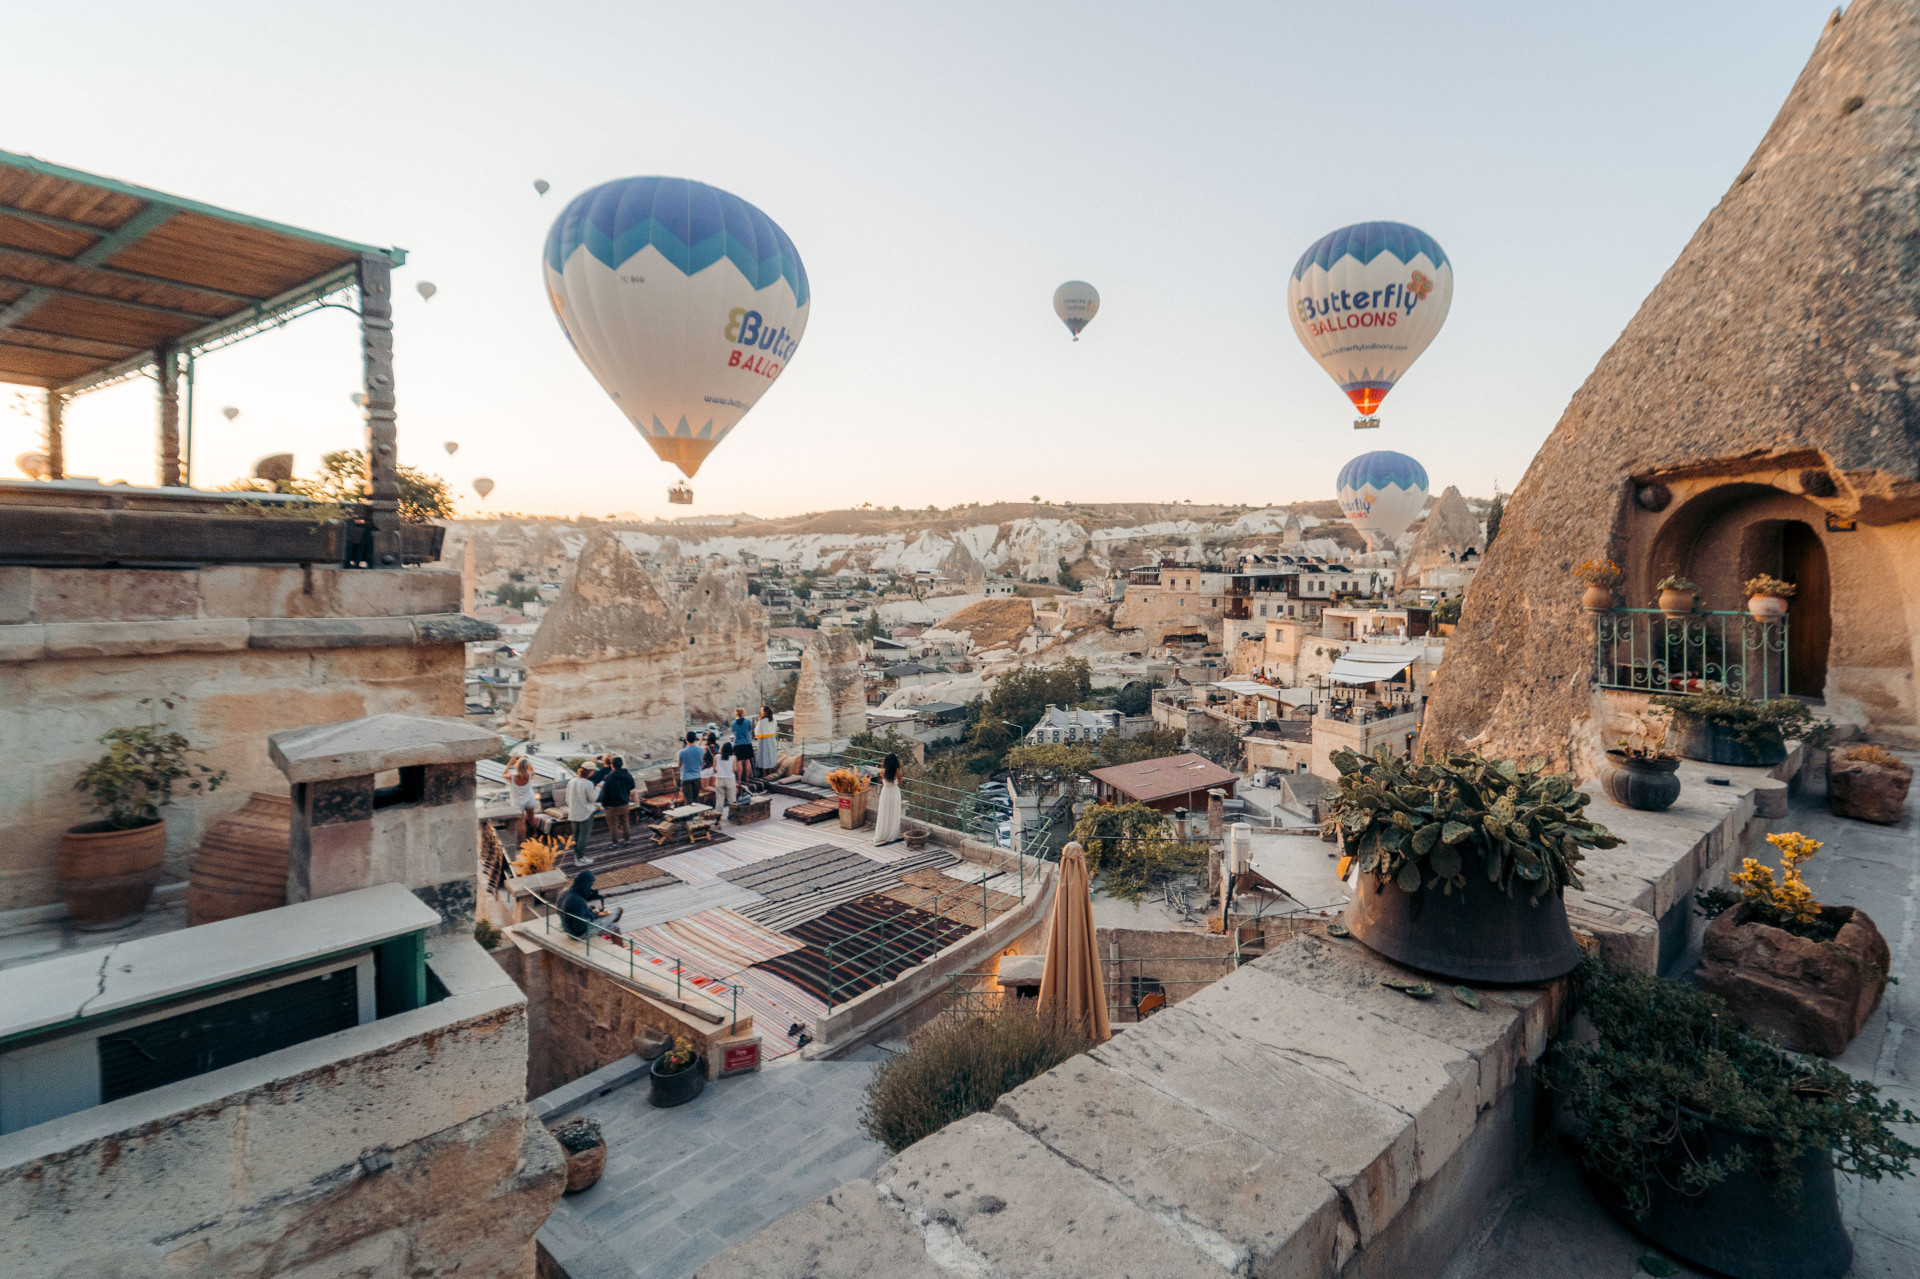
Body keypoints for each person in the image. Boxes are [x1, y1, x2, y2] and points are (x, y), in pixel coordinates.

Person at [557, 870, 622, 939]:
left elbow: (562, 912)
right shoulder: (578, 901)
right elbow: (580, 927)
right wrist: (593, 915)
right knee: (617, 911)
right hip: (578, 935)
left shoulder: (564, 893)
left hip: (568, 929)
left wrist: (588, 911)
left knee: (615, 926)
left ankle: (606, 930)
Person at [565, 766, 601, 864]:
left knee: (575, 835)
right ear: (590, 772)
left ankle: (577, 856)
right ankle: (580, 858)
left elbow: (567, 799)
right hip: (585, 813)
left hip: (573, 812)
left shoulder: (571, 782)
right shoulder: (588, 784)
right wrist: (598, 788)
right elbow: (592, 799)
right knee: (583, 836)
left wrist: (573, 806)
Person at [599, 755, 636, 846]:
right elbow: (632, 787)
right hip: (624, 803)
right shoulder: (627, 775)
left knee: (613, 826)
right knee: (625, 823)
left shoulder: (608, 777)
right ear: (621, 765)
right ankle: (627, 840)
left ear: (612, 765)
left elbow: (605, 793)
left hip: (611, 806)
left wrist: (603, 804)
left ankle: (615, 843)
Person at [504, 756, 540, 848]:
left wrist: (509, 763)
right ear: (526, 767)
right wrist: (527, 761)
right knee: (531, 818)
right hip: (529, 799)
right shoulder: (529, 775)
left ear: (517, 767)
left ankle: (523, 842)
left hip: (518, 802)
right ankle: (535, 834)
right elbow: (533, 771)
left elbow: (503, 774)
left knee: (521, 822)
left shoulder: (511, 777)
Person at [875, 752, 905, 845]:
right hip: (895, 793)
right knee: (894, 813)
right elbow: (900, 783)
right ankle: (892, 834)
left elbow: (882, 780)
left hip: (886, 792)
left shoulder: (882, 771)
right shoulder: (898, 771)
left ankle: (883, 834)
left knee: (885, 812)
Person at [677, 732, 705, 805]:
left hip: (686, 778)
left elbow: (679, 766)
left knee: (688, 799)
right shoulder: (701, 750)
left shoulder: (681, 752)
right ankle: (697, 815)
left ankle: (690, 815)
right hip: (697, 777)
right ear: (695, 739)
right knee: (696, 797)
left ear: (686, 739)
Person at [753, 704, 779, 778]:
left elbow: (757, 732)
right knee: (770, 755)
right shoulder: (774, 719)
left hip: (763, 741)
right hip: (771, 740)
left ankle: (764, 774)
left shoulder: (762, 721)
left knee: (764, 756)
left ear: (764, 712)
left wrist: (756, 725)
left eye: (761, 711)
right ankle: (770, 773)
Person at [731, 708, 754, 787]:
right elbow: (749, 730)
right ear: (743, 713)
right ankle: (747, 778)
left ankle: (739, 780)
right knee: (747, 760)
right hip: (747, 743)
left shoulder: (733, 723)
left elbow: (734, 732)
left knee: (739, 762)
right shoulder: (748, 722)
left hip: (737, 744)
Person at [716, 743, 738, 815]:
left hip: (719, 779)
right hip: (730, 779)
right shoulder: (733, 757)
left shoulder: (716, 757)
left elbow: (714, 769)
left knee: (719, 799)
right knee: (732, 799)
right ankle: (732, 815)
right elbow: (735, 769)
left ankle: (718, 817)